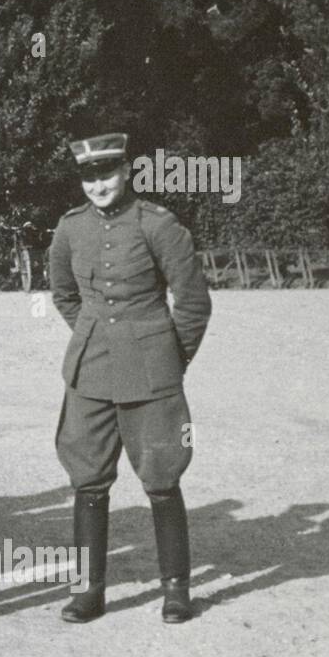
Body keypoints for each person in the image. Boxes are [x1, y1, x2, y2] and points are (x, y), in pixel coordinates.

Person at [48, 131, 212, 624]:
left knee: (162, 477)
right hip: (90, 372)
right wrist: (95, 339)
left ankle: (176, 589)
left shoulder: (158, 225)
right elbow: (64, 295)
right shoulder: (70, 228)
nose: (98, 184)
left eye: (107, 173)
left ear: (126, 171)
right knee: (87, 479)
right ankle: (87, 591)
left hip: (152, 373)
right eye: (89, 176)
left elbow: (194, 302)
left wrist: (166, 357)